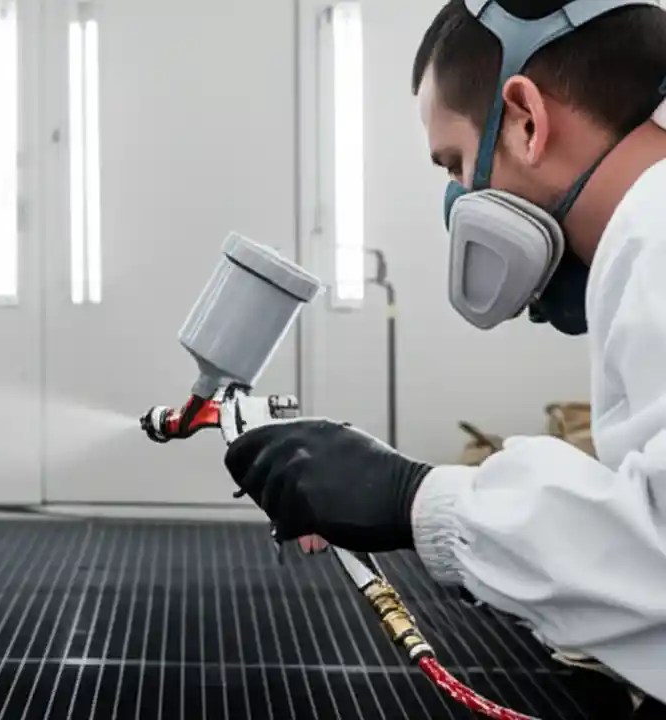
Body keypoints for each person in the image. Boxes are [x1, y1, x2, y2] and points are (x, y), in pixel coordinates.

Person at [223, 0, 666, 706]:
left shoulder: (656, 234)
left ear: (525, 119)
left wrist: (414, 499)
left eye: (457, 162)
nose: (461, 197)